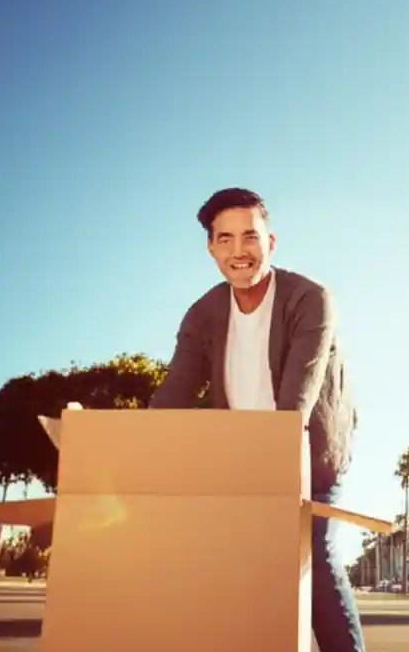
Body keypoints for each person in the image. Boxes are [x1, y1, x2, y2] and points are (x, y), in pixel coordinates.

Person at [150, 187, 365, 651]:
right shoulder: (203, 314)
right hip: (243, 464)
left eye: (250, 237)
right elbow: (172, 396)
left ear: (271, 243)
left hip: (311, 457)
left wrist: (278, 466)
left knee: (317, 562)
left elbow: (296, 405)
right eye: (224, 239)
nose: (238, 251)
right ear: (210, 248)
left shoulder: (311, 299)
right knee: (236, 578)